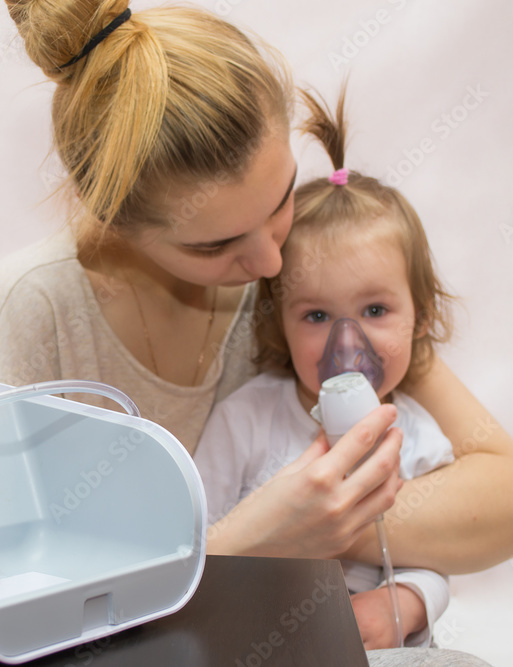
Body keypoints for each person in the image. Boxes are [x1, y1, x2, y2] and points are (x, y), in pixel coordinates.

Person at [0, 1, 513, 660]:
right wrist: (255, 537)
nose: (271, 264)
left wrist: (347, 538)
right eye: (214, 246)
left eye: (281, 200)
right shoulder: (31, 312)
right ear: (112, 217)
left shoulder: (311, 271)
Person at [194, 87, 460, 649]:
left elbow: (435, 561)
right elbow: (198, 542)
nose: (347, 343)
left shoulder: (419, 439)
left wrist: (403, 605)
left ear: (420, 315)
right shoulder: (245, 420)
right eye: (316, 315)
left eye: (375, 310)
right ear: (278, 325)